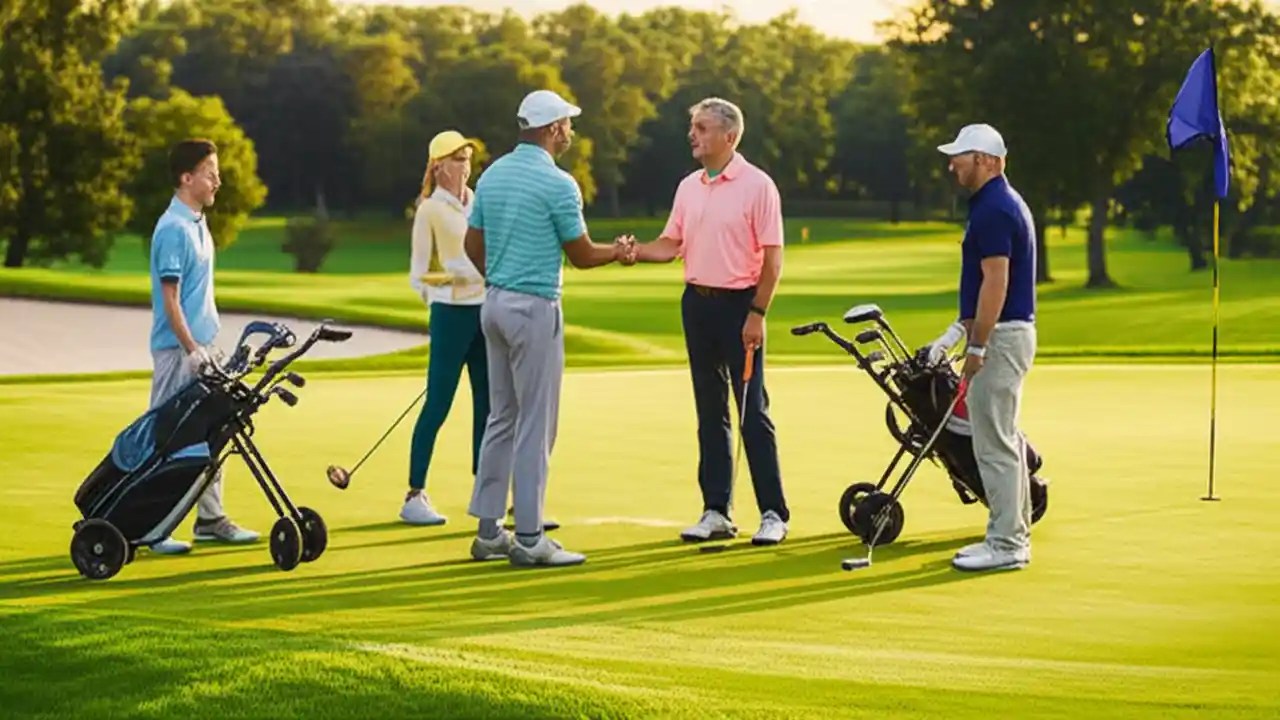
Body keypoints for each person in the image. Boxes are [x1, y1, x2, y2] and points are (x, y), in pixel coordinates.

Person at [462, 89, 634, 567]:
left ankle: (489, 532)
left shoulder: (492, 174)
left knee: (502, 418)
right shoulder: (560, 184)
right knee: (535, 424)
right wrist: (618, 253)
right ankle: (532, 537)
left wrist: (499, 278)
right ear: (554, 128)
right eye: (568, 124)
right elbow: (580, 255)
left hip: (493, 303)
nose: (571, 132)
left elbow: (471, 244)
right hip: (534, 308)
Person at [627, 97, 790, 547]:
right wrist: (632, 252)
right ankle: (716, 510)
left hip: (741, 307)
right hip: (696, 304)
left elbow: (773, 260)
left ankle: (774, 513)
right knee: (709, 411)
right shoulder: (689, 186)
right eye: (693, 126)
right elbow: (669, 244)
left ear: (729, 136)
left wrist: (758, 314)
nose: (692, 134)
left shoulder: (758, 186)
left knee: (751, 412)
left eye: (701, 127)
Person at [926, 123, 1038, 572]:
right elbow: (981, 285)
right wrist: (957, 333)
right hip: (1004, 333)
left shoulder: (993, 209)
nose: (952, 163)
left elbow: (997, 281)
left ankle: (1008, 544)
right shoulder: (994, 204)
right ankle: (1012, 535)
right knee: (1001, 438)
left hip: (1002, 336)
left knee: (993, 443)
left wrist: (977, 344)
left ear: (987, 160)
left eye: (961, 155)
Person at [145, 138, 260, 555]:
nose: (218, 180)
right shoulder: (173, 228)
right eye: (210, 172)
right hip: (179, 351)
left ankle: (210, 518)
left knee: (212, 430)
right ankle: (153, 525)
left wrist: (206, 347)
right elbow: (170, 299)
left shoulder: (196, 221)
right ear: (186, 177)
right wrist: (192, 349)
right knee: (167, 436)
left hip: (203, 346)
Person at [399, 130, 487, 526]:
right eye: (457, 160)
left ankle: (485, 488)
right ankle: (414, 493)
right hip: (451, 315)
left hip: (486, 314)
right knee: (438, 404)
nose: (465, 168)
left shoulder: (479, 202)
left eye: (467, 160)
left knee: (489, 405)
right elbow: (419, 277)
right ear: (438, 167)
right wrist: (457, 278)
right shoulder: (430, 210)